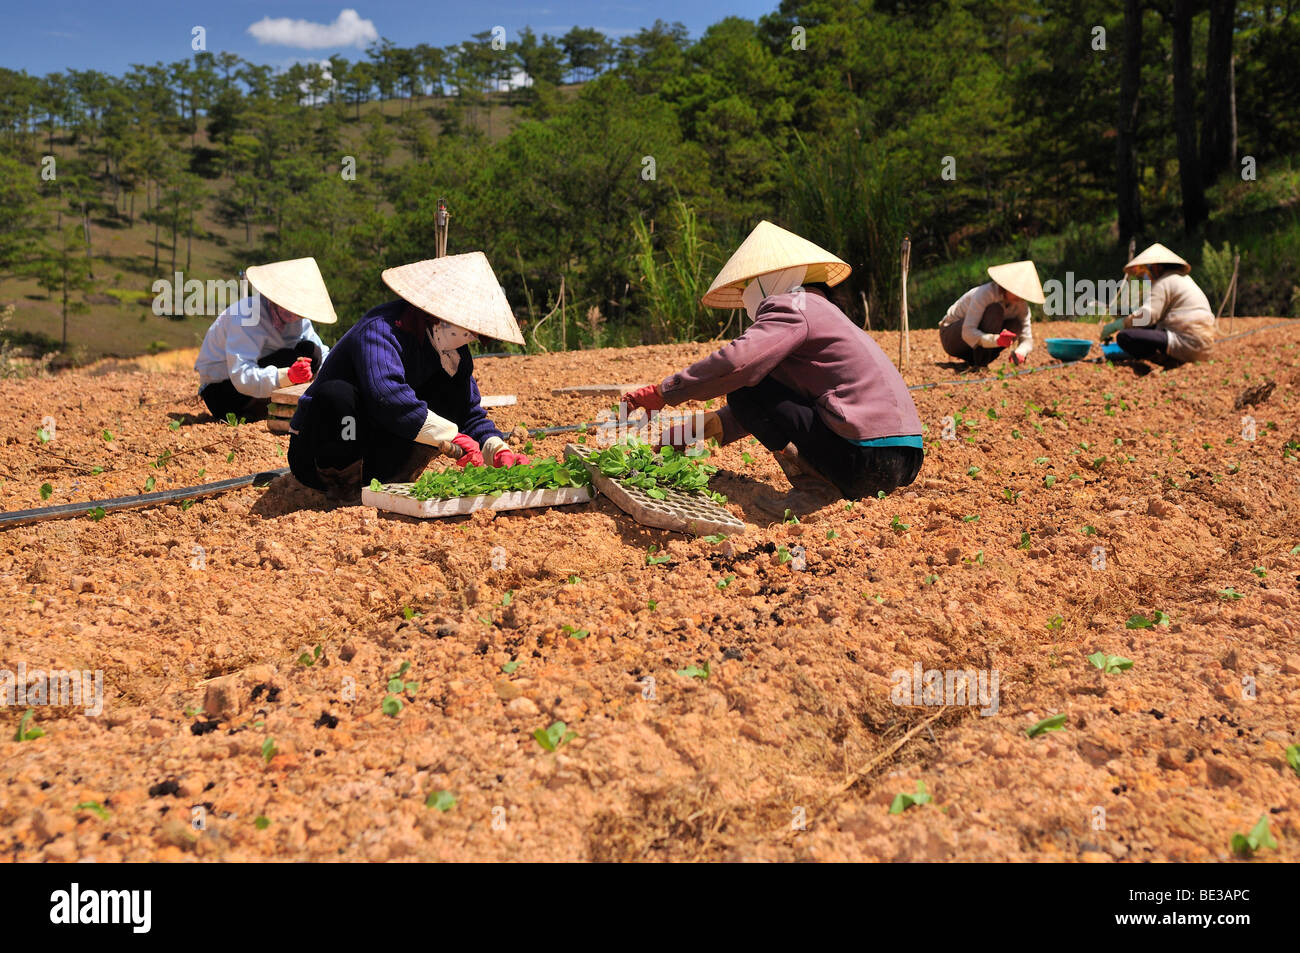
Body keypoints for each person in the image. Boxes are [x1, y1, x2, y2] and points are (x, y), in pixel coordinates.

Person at [622, 220, 923, 516]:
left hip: (862, 460)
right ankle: (828, 481)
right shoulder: (823, 313)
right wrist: (696, 430)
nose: (744, 295)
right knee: (752, 388)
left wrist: (664, 392)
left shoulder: (792, 305)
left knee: (743, 388)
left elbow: (737, 365)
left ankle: (814, 487)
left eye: (745, 286)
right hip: (902, 462)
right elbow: (773, 407)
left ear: (771, 279)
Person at [288, 252, 530, 502]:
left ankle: (384, 477)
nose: (470, 337)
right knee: (338, 396)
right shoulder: (380, 330)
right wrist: (450, 435)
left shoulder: (452, 354)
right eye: (468, 329)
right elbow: (387, 396)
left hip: (377, 445)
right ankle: (342, 483)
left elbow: (467, 409)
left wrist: (494, 447)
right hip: (327, 444)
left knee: (444, 391)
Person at [194, 257, 334, 420]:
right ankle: (262, 409)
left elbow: (321, 353)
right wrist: (287, 376)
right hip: (223, 394)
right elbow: (241, 375)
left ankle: (274, 406)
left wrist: (339, 374)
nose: (294, 313)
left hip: (260, 379)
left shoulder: (299, 321)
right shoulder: (246, 316)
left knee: (311, 352)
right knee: (289, 358)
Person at [1101, 243, 1214, 367]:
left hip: (1185, 343)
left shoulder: (1163, 282)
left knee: (1125, 337)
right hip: (1203, 346)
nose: (1145, 277)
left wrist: (1120, 324)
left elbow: (1148, 316)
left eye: (1145, 271)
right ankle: (1171, 357)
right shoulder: (1182, 279)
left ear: (1156, 268)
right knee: (1143, 329)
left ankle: (1165, 360)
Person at [938, 261, 1043, 367]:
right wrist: (997, 340)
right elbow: (967, 332)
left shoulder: (1021, 306)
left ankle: (980, 361)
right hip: (952, 337)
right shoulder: (985, 294)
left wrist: (1020, 352)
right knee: (995, 311)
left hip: (978, 345)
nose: (1020, 296)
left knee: (1016, 325)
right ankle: (980, 364)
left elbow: (1027, 338)